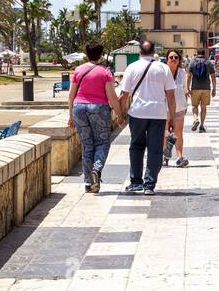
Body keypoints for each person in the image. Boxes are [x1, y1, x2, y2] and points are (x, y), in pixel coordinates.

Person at [117, 40, 177, 195]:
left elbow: (123, 95)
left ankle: (136, 182)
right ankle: (149, 185)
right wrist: (172, 118)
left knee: (136, 146)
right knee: (155, 149)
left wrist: (120, 114)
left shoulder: (132, 67)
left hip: (137, 113)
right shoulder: (163, 68)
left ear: (139, 52)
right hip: (158, 114)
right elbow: (171, 96)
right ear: (153, 52)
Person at [68, 42, 120, 193]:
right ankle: (96, 170)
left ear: (86, 54)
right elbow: (112, 97)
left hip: (79, 108)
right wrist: (120, 115)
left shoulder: (78, 70)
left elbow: (71, 95)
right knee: (102, 142)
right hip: (99, 109)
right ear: (101, 54)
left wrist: (70, 115)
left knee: (87, 145)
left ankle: (88, 183)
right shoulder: (105, 72)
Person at [164, 51, 189, 168]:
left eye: (176, 57)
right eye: (171, 57)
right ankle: (164, 157)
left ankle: (179, 157)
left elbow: (185, 89)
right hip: (164, 108)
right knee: (164, 133)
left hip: (179, 108)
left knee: (178, 133)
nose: (173, 59)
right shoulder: (162, 72)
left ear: (179, 60)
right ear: (167, 59)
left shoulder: (182, 73)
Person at [187, 48, 216, 133]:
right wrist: (214, 89)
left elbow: (189, 76)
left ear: (197, 53)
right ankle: (202, 126)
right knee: (203, 107)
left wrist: (188, 88)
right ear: (204, 53)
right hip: (206, 88)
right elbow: (213, 76)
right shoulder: (208, 62)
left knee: (194, 106)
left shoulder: (192, 62)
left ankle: (196, 118)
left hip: (195, 88)